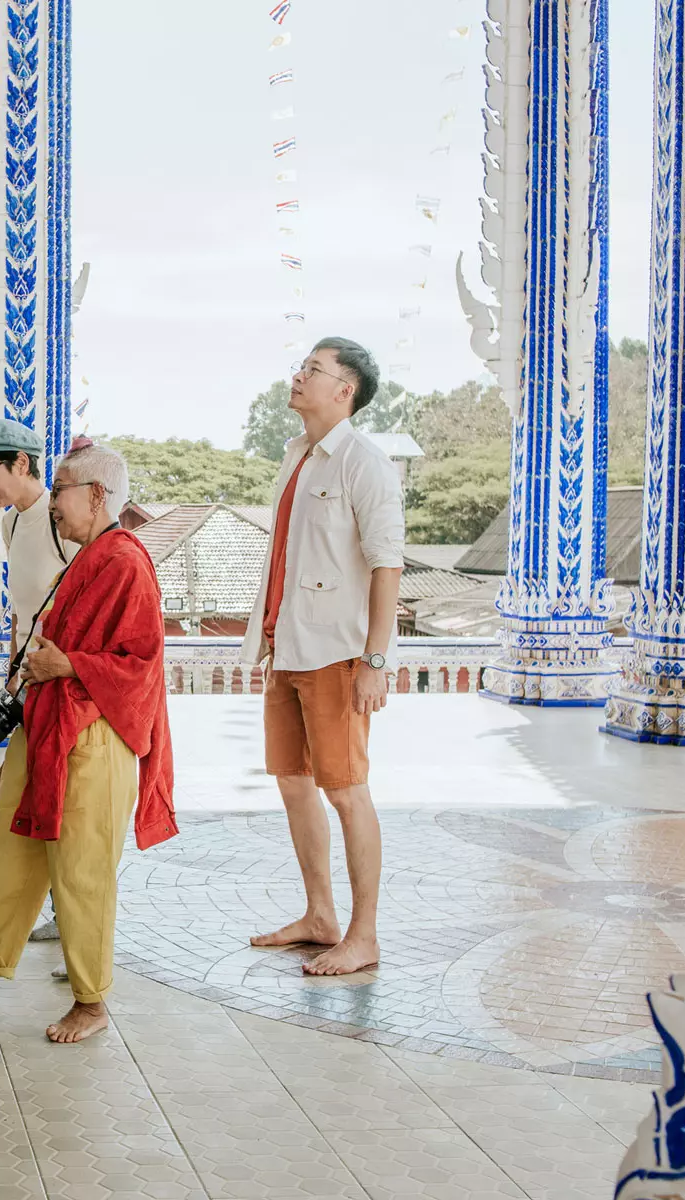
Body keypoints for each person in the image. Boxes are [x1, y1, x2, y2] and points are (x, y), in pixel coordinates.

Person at [0, 438, 177, 1043]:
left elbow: (141, 664)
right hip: (45, 731)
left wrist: (71, 668)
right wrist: (18, 752)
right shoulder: (87, 558)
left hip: (93, 738)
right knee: (7, 862)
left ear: (98, 494)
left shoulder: (126, 562)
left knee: (82, 873)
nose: (53, 502)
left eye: (61, 491)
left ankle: (92, 1001)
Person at [241, 337, 405, 977]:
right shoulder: (299, 456)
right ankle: (320, 916)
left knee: (347, 791)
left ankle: (363, 936)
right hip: (288, 647)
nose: (300, 376)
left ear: (346, 391)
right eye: (302, 366)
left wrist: (376, 659)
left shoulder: (365, 462)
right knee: (292, 782)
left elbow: (387, 563)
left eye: (314, 370)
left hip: (337, 652)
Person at [0, 419, 76, 958]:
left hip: (63, 682)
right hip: (28, 680)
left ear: (21, 463)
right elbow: (21, 611)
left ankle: (73, 916)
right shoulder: (10, 525)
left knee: (68, 799)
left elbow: (77, 604)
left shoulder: (58, 520)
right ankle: (48, 908)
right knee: (30, 793)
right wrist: (12, 670)